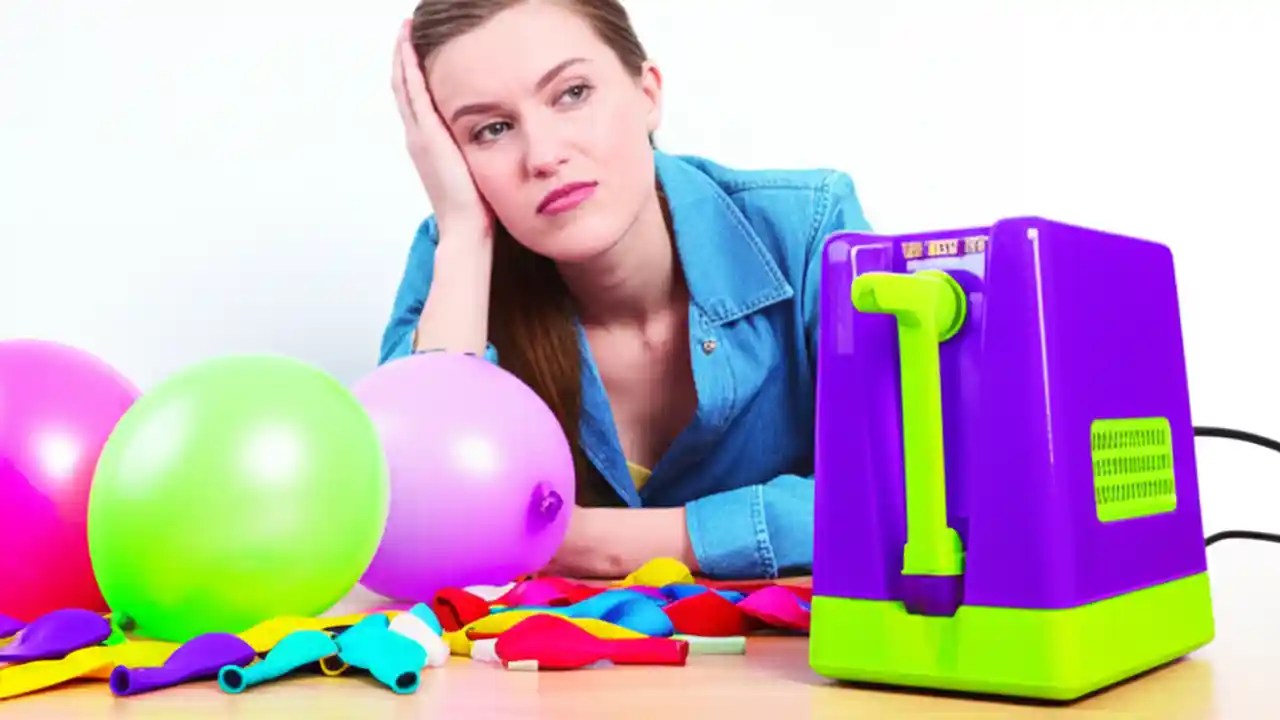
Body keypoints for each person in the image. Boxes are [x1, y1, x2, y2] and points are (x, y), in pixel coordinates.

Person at [379, 0, 872, 581]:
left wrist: (618, 543)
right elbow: (407, 520)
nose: (544, 156)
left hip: (790, 669)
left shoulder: (808, 231)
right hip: (549, 673)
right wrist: (463, 232)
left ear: (647, 93)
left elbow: (915, 486)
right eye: (490, 130)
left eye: (572, 94)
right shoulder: (456, 260)